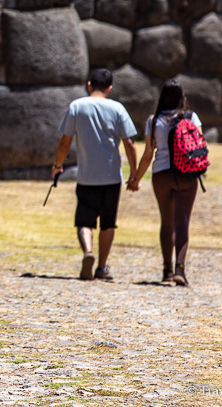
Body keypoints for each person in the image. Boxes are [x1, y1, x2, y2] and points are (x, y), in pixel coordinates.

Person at [53, 67, 138, 282]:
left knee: (84, 220)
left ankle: (88, 252)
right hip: (111, 176)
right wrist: (134, 174)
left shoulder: (77, 106)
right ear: (109, 88)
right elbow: (129, 143)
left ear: (89, 85)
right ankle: (101, 267)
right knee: (108, 223)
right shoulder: (117, 108)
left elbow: (65, 141)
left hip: (86, 175)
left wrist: (58, 165)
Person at [129, 79, 202, 287]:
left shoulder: (154, 120)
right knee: (182, 222)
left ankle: (167, 270)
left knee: (166, 222)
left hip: (161, 174)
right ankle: (180, 268)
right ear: (182, 97)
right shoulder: (191, 117)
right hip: (186, 175)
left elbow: (147, 154)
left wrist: (136, 179)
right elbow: (199, 145)